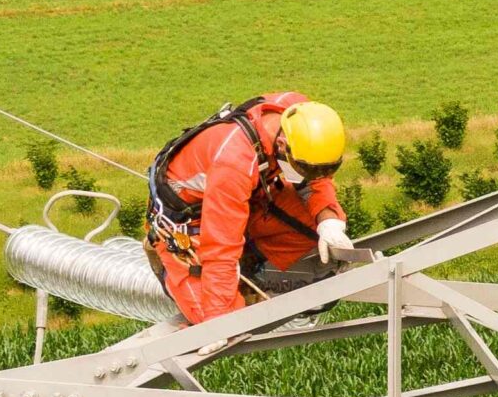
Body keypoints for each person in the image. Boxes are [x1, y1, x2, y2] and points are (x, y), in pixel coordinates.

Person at [145, 94, 354, 324]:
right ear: (283, 145)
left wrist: (329, 222)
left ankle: (250, 262)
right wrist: (217, 324)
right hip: (190, 220)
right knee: (217, 318)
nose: (311, 176)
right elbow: (221, 246)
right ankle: (168, 269)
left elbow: (317, 179)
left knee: (315, 230)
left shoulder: (300, 116)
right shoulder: (234, 163)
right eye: (304, 168)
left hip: (252, 193)